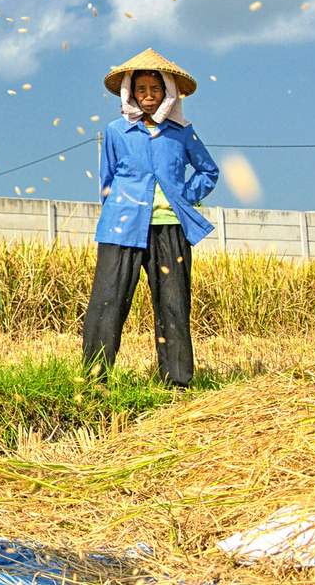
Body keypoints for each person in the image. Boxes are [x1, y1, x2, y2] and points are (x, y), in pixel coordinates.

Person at [81, 47, 220, 388]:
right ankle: (93, 381)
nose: (147, 96)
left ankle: (177, 382)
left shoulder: (182, 132)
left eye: (154, 90)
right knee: (107, 302)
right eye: (141, 90)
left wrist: (184, 197)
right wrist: (118, 208)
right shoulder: (115, 132)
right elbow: (107, 180)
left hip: (169, 229)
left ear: (167, 93)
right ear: (130, 92)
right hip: (122, 227)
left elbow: (208, 171)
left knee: (173, 303)